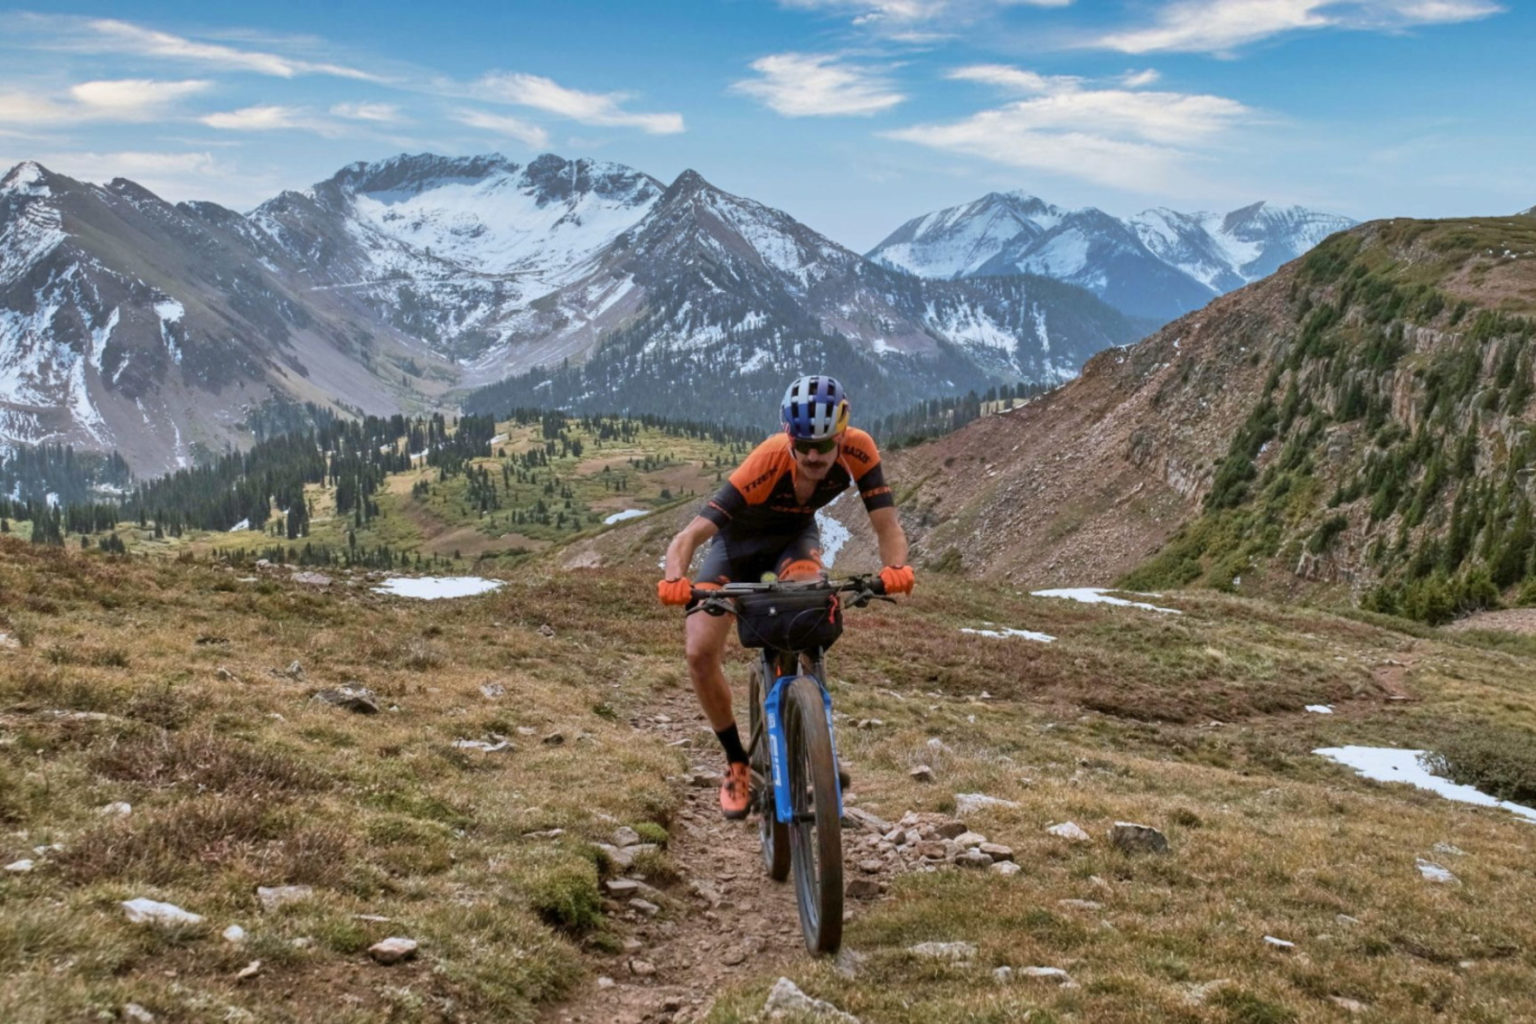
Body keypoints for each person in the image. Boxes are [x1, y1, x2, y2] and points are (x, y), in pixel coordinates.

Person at [657, 374, 915, 818]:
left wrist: (895, 570)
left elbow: (886, 524)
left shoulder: (860, 449)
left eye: (823, 444)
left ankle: (818, 744)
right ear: (788, 436)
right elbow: (691, 534)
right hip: (735, 548)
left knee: (812, 608)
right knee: (699, 652)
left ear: (842, 433)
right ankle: (738, 762)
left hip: (795, 540)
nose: (813, 455)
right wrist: (675, 577)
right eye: (802, 445)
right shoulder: (766, 462)